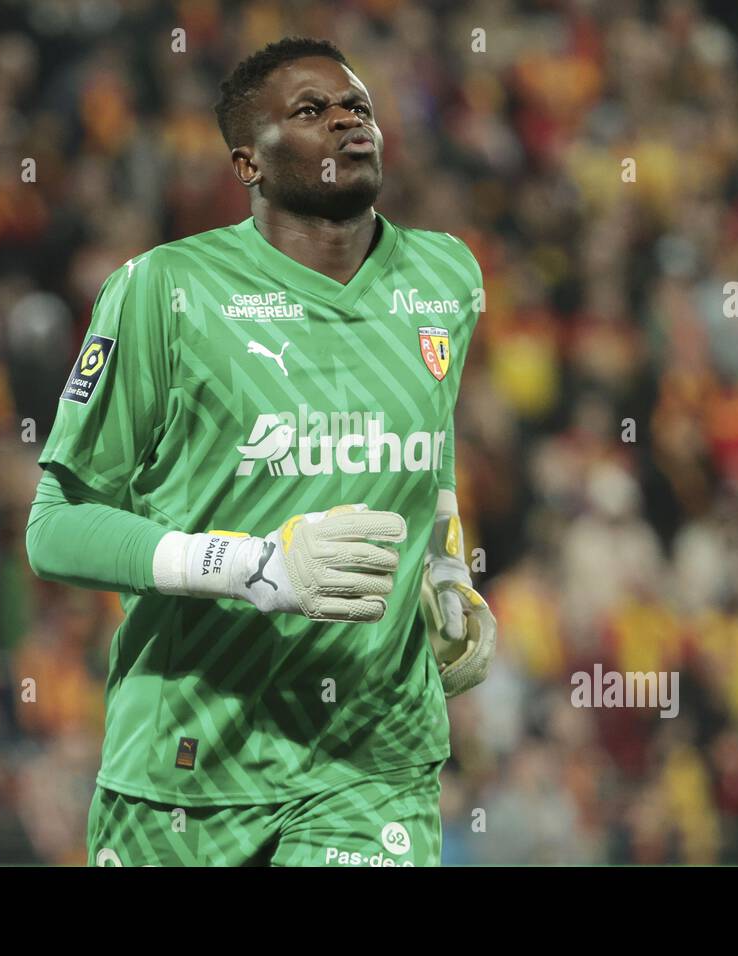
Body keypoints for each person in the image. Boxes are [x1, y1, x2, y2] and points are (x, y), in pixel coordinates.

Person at [26, 36, 495, 867]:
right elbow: (56, 529)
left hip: (370, 760)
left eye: (358, 106)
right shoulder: (165, 291)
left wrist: (449, 571)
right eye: (311, 111)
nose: (348, 121)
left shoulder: (445, 276)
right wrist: (252, 567)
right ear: (247, 161)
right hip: (188, 765)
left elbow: (429, 451)